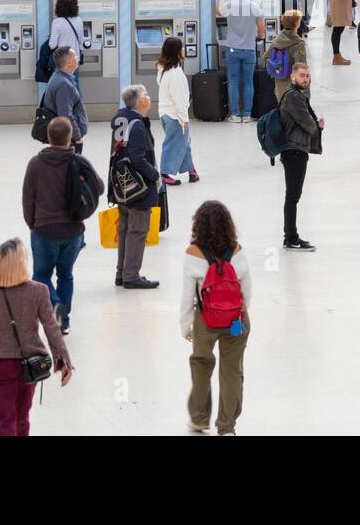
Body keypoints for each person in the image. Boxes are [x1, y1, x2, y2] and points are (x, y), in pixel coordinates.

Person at [0, 238, 74, 436]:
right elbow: (52, 326)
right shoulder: (39, 290)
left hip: (2, 366)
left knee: (4, 420)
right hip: (31, 366)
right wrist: (63, 361)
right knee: (22, 418)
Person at [24, 115, 103, 336]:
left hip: (44, 230)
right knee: (66, 274)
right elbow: (100, 187)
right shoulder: (79, 161)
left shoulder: (36, 164)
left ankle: (58, 313)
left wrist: (31, 223)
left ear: (48, 137)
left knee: (41, 276)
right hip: (73, 230)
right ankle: (63, 320)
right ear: (70, 138)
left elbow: (27, 197)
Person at [181, 200, 252, 436]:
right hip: (235, 320)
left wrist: (186, 325)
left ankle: (200, 419)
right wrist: (239, 315)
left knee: (201, 365)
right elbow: (247, 289)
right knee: (232, 370)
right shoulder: (238, 250)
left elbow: (187, 295)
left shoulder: (193, 253)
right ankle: (227, 427)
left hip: (206, 320)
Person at [109, 85, 161, 288]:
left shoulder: (121, 120)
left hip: (121, 183)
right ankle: (131, 275)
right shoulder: (138, 126)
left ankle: (122, 273)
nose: (149, 97)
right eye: (146, 95)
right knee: (138, 230)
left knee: (124, 228)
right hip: (138, 187)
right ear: (140, 102)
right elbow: (138, 159)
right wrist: (155, 176)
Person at [279, 63, 322, 251]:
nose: (306, 79)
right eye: (302, 75)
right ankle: (291, 237)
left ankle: (291, 236)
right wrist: (317, 125)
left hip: (295, 150)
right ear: (293, 77)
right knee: (292, 196)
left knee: (293, 195)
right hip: (294, 150)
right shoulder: (294, 98)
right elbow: (309, 125)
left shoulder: (295, 95)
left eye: (308, 76)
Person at [216, 0, 266, 123]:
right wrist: (259, 36)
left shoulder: (229, 5)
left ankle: (236, 115)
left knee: (233, 82)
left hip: (232, 49)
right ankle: (247, 114)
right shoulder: (254, 6)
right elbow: (261, 27)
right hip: (249, 49)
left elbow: (217, 10)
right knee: (248, 82)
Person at [157, 36, 199, 186]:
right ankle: (165, 172)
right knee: (173, 143)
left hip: (165, 113)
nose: (184, 49)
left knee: (183, 142)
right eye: (181, 47)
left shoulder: (163, 69)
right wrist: (184, 119)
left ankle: (191, 170)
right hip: (176, 116)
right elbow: (180, 100)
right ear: (177, 52)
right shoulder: (177, 74)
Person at [42, 46, 87, 152]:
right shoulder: (63, 84)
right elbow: (65, 115)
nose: (78, 58)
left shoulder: (60, 77)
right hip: (69, 139)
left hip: (67, 137)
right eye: (75, 56)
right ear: (68, 62)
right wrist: (77, 136)